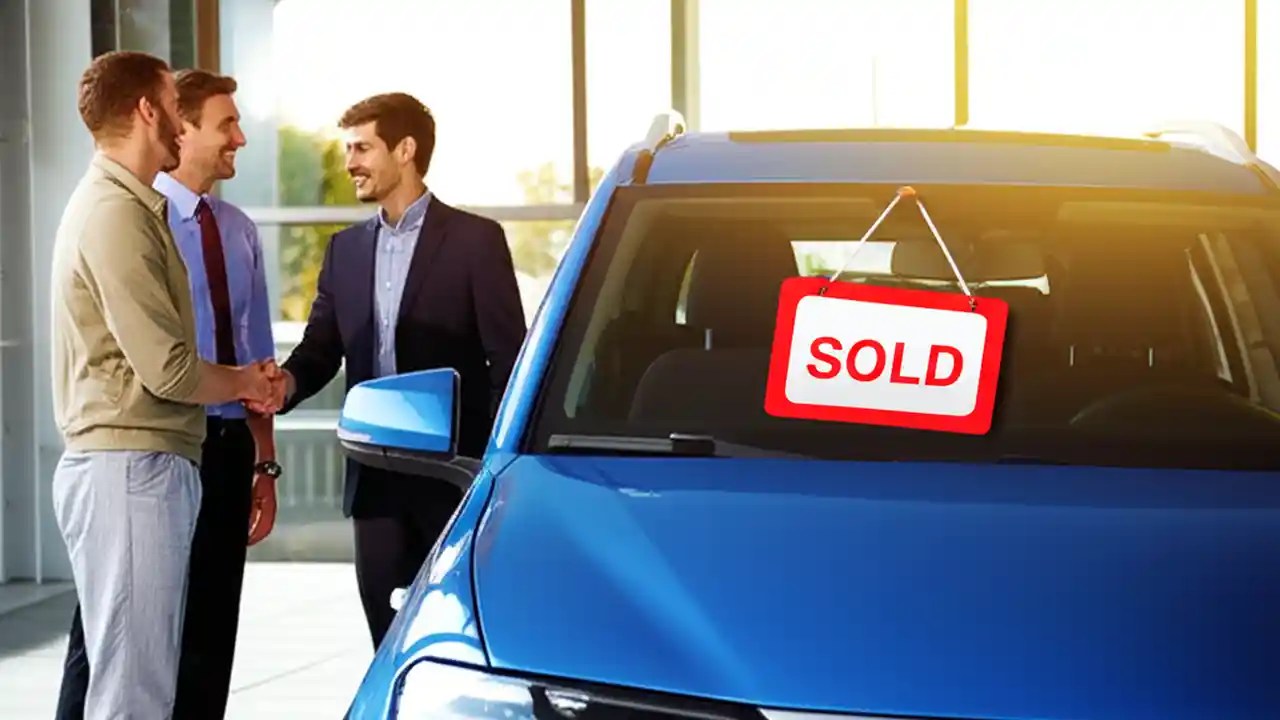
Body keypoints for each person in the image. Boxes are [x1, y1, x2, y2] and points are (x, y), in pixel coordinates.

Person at [50, 51, 280, 720]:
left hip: (154, 461)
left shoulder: (132, 207)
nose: (182, 121)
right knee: (132, 691)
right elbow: (170, 368)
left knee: (146, 679)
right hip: (132, 466)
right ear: (149, 110)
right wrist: (245, 381)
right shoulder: (116, 213)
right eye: (176, 106)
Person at [267, 92, 526, 648]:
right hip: (374, 477)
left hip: (453, 475)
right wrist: (280, 385)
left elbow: (508, 357)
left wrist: (500, 467)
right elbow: (319, 348)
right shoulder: (345, 251)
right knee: (385, 639)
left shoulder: (476, 242)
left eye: (362, 148)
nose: (350, 163)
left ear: (405, 150)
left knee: (459, 637)